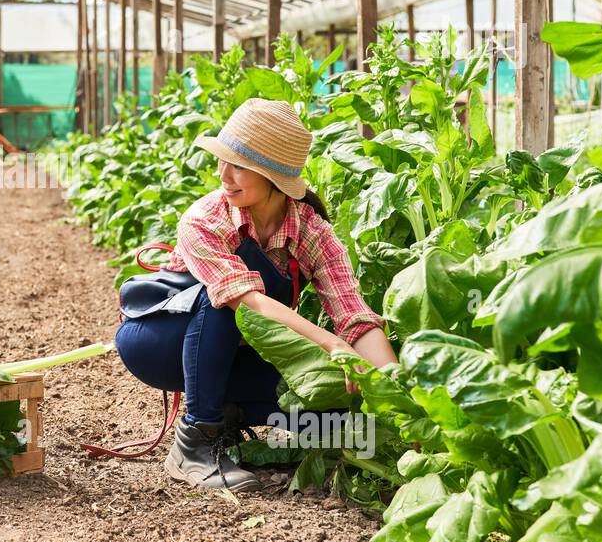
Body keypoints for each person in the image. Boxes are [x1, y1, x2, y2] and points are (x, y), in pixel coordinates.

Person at [114, 98, 397, 493]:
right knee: (230, 305)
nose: (223, 174)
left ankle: (228, 414)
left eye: (240, 166)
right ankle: (196, 440)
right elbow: (244, 301)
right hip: (161, 340)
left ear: (275, 178)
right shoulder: (205, 218)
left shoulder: (312, 232)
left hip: (234, 355)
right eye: (223, 160)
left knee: (333, 413)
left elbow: (353, 316)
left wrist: (394, 388)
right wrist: (331, 343)